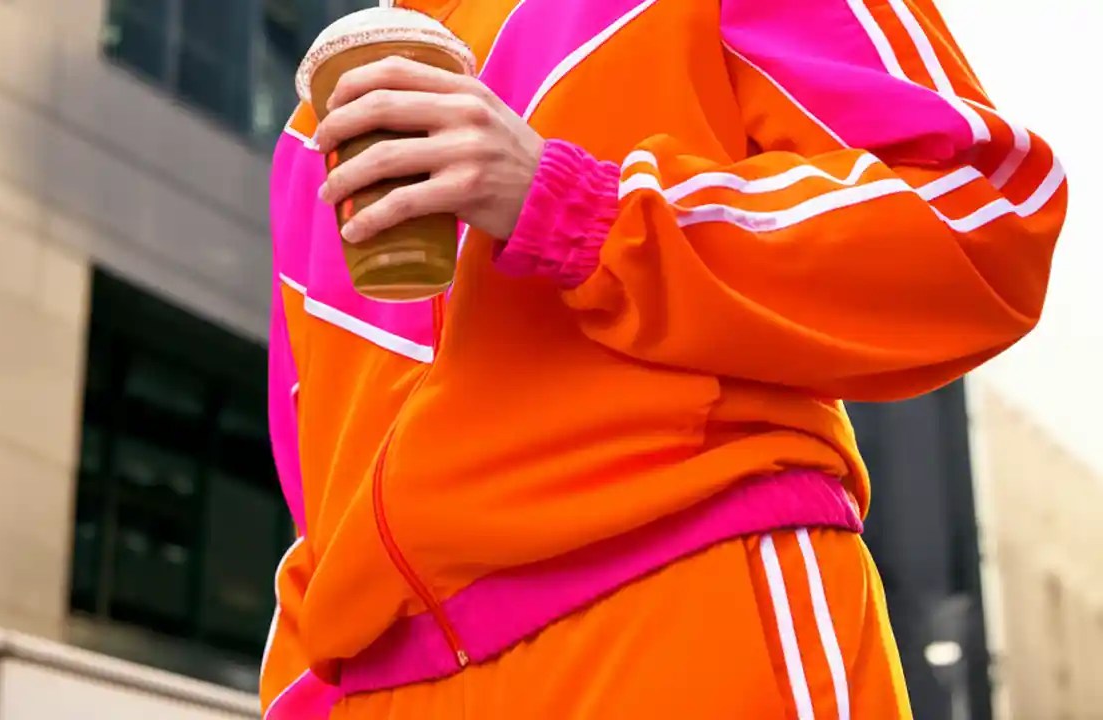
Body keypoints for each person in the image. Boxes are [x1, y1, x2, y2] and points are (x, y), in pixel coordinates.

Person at [261, 0, 1067, 717]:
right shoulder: (309, 134)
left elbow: (981, 219)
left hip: (678, 604)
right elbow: (317, 512)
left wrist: (574, 206)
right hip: (381, 687)